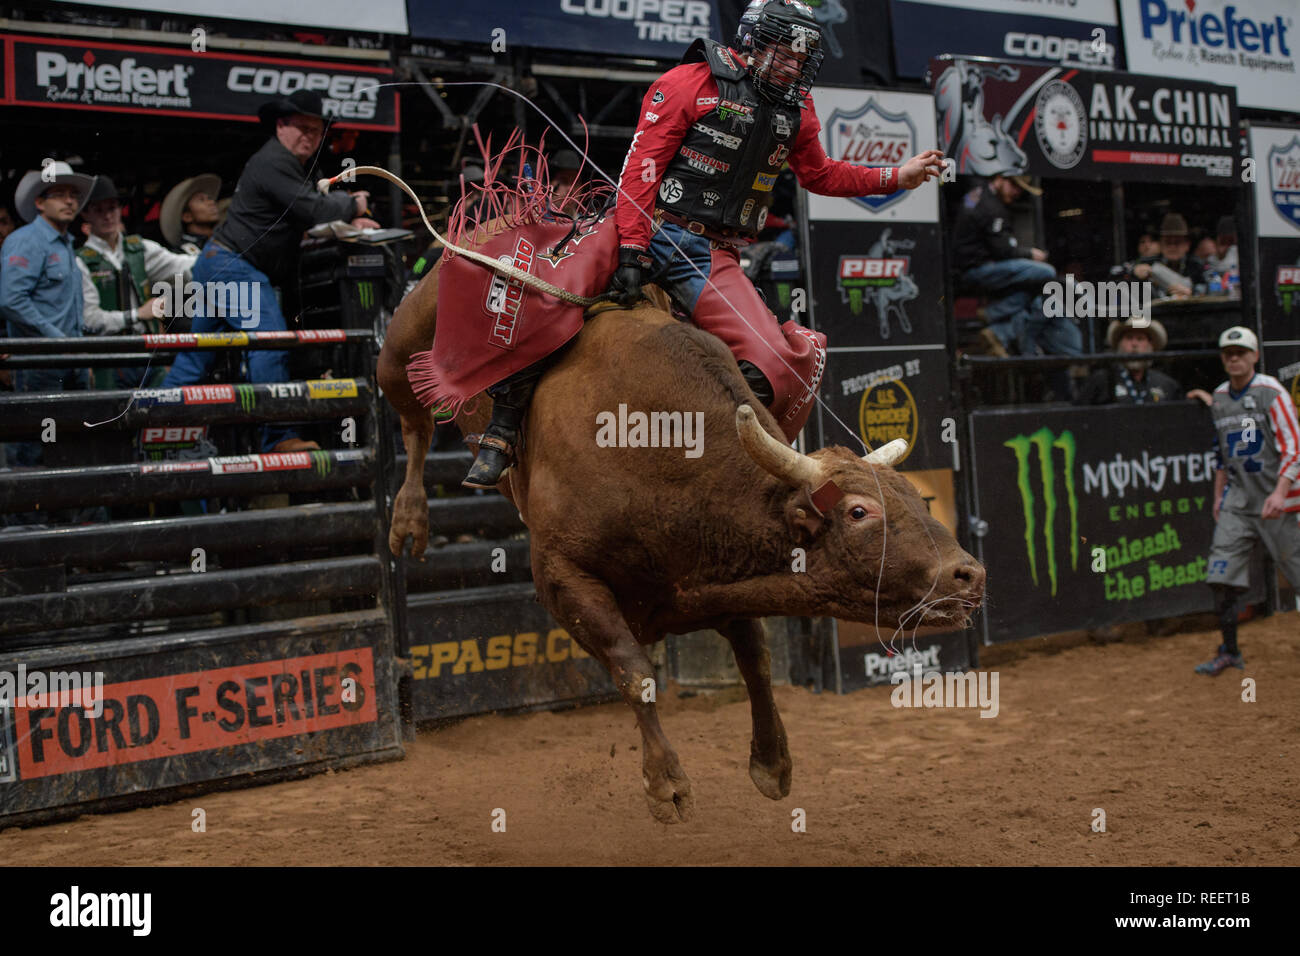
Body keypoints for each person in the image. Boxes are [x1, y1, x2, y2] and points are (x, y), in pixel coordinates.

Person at [463, 0, 943, 487]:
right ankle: (501, 431)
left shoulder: (799, 107)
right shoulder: (687, 82)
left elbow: (819, 173)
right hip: (644, 224)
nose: (794, 64)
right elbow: (640, 172)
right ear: (754, 42)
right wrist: (631, 247)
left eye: (803, 57)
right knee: (550, 297)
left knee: (776, 364)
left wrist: (896, 175)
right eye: (786, 52)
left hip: (710, 253)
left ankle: (711, 465)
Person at [161, 89, 377, 454]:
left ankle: (146, 426)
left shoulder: (293, 165)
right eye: (302, 128)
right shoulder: (274, 161)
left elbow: (312, 211)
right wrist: (353, 202)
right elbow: (313, 211)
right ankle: (278, 438)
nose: (310, 135)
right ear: (281, 126)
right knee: (270, 342)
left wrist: (344, 212)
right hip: (234, 266)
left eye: (316, 129)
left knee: (196, 358)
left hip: (222, 263)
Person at [1196, 326, 1300, 676]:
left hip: (1277, 497)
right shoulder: (1220, 398)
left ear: (1255, 356)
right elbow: (1221, 454)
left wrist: (1281, 491)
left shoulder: (1272, 392)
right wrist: (1218, 497)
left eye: (1241, 352)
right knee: (1220, 574)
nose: (1235, 358)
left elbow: (1294, 447)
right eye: (1228, 353)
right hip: (1238, 500)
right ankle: (1229, 650)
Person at [0, 162, 96, 468]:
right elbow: (11, 299)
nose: (69, 201)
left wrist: (76, 350)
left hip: (65, 359)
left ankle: (62, 513)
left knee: (67, 445)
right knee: (37, 448)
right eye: (59, 194)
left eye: (73, 195)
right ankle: (32, 516)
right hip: (41, 362)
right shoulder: (28, 240)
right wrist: (60, 339)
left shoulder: (65, 243)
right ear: (39, 202)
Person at [77, 176, 197, 387]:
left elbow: (184, 267)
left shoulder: (140, 249)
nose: (107, 216)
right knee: (113, 415)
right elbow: (90, 319)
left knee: (164, 408)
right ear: (86, 214)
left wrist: (216, 258)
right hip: (107, 357)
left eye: (112, 208)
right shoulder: (81, 260)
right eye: (98, 210)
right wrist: (137, 314)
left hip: (147, 353)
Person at [953, 169, 1080, 361]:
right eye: (1014, 185)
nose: (1016, 192)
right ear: (999, 178)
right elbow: (1003, 250)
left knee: (1034, 291)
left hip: (975, 268)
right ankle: (993, 315)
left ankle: (998, 330)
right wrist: (1030, 254)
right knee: (1046, 271)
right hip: (977, 270)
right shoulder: (991, 206)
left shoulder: (977, 193)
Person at [1075, 317, 1183, 405]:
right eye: (1129, 338)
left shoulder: (1166, 384)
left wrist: (1193, 399)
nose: (1134, 344)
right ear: (1119, 345)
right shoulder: (1101, 381)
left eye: (1140, 339)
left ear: (1151, 346)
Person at [1133, 212, 1206, 297]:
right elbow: (1121, 270)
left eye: (1177, 242)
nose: (1172, 247)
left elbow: (1210, 289)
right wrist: (1134, 272)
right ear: (1160, 244)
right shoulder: (1150, 262)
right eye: (1168, 242)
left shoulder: (1197, 265)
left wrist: (1193, 293)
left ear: (1187, 245)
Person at [160, 173, 222, 254]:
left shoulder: (224, 242)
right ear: (187, 217)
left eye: (209, 198)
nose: (211, 202)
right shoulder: (182, 254)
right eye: (201, 200)